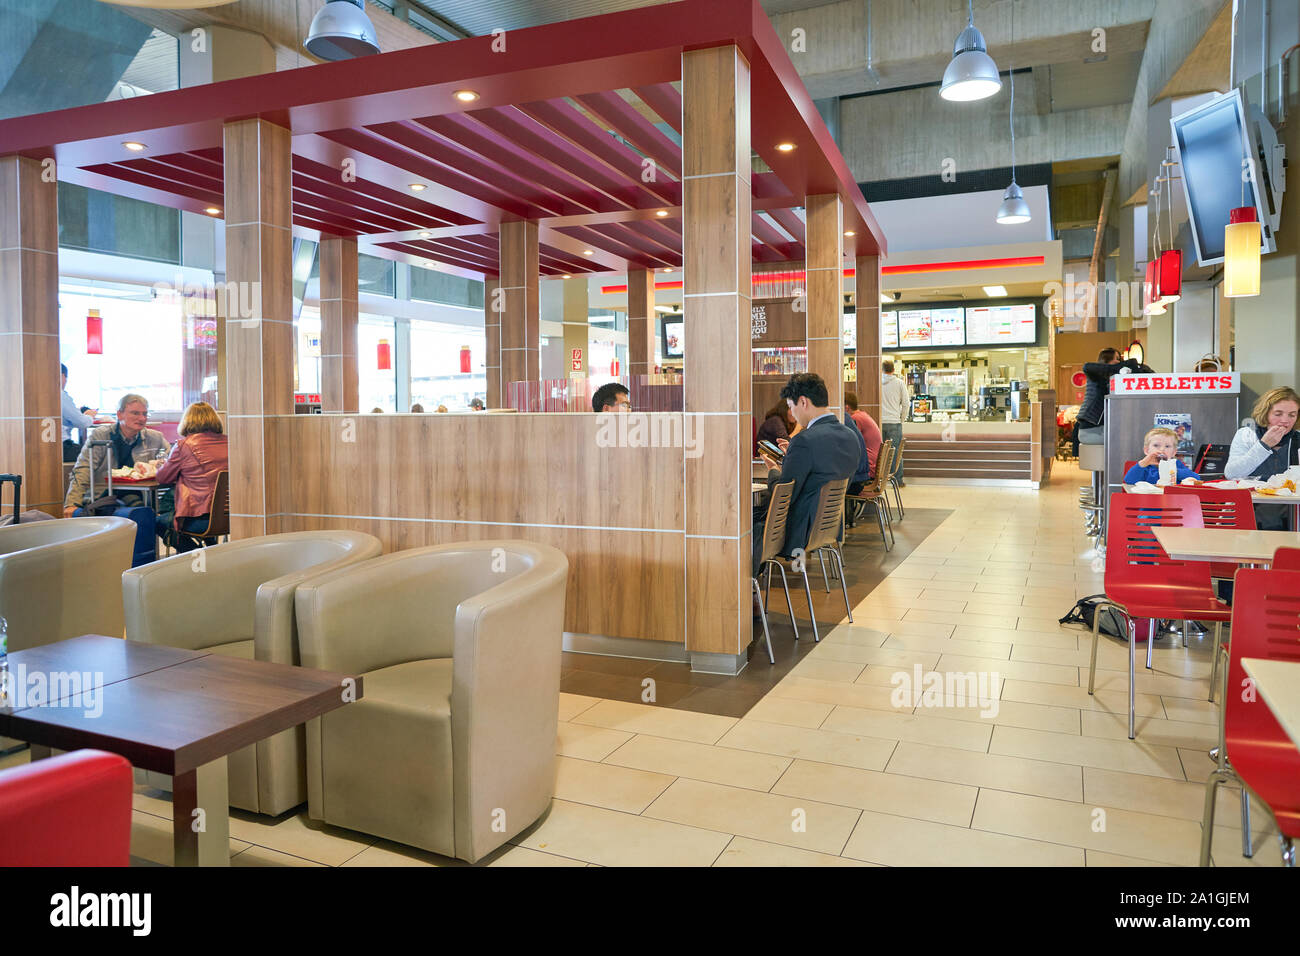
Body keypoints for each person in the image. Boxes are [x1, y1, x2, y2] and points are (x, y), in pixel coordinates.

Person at [753, 373, 860, 576]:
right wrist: (792, 458)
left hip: (799, 531)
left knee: (747, 521)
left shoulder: (804, 441)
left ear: (803, 402)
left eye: (791, 406)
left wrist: (773, 470)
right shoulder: (850, 435)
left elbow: (783, 495)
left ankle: (747, 588)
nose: (792, 413)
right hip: (829, 526)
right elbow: (821, 473)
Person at [63, 393, 169, 517]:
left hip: (140, 494)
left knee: (141, 511)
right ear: (119, 414)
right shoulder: (101, 435)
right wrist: (71, 503)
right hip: (103, 493)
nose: (142, 418)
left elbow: (170, 464)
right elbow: (84, 468)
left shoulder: (155, 437)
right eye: (135, 413)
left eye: (144, 414)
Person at [154, 401, 229, 552]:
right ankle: (212, 555)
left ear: (187, 421)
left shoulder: (184, 445)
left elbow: (163, 478)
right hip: (231, 516)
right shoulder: (229, 442)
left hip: (201, 518)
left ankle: (197, 557)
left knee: (157, 522)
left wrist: (159, 467)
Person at [1224, 386, 1300, 530]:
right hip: (1248, 511)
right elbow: (1231, 473)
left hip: (1290, 516)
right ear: (1265, 414)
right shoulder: (1246, 435)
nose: (1285, 420)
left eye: (1292, 415)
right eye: (1278, 413)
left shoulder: (1298, 440)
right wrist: (1264, 446)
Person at [1072, 348, 1144, 455]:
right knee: (1133, 441)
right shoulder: (1095, 376)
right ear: (1106, 359)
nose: (1119, 362)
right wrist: (1128, 364)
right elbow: (1086, 366)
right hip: (1092, 430)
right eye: (1117, 359)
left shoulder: (1112, 381)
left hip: (1098, 429)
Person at [1123, 428, 1200, 485]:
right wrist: (1142, 463)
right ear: (1147, 450)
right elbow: (1129, 481)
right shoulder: (1145, 467)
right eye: (1156, 445)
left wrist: (1171, 470)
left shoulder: (1176, 464)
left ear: (1174, 452)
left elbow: (1196, 478)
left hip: (1173, 504)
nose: (1162, 449)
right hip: (1148, 504)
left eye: (1167, 446)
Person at [880, 360, 909, 486]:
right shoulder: (899, 383)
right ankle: (897, 480)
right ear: (893, 369)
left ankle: (879, 480)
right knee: (895, 452)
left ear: (882, 369)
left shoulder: (877, 382)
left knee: (880, 452)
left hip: (879, 422)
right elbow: (906, 404)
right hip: (894, 422)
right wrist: (901, 419)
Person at [60, 364, 96, 463]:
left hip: (50, 447)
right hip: (63, 448)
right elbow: (82, 423)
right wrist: (90, 416)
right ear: (62, 376)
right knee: (98, 453)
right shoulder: (60, 395)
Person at [844, 392, 883, 478]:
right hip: (874, 465)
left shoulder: (855, 419)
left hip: (869, 468)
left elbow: (850, 444)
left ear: (846, 408)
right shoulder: (862, 415)